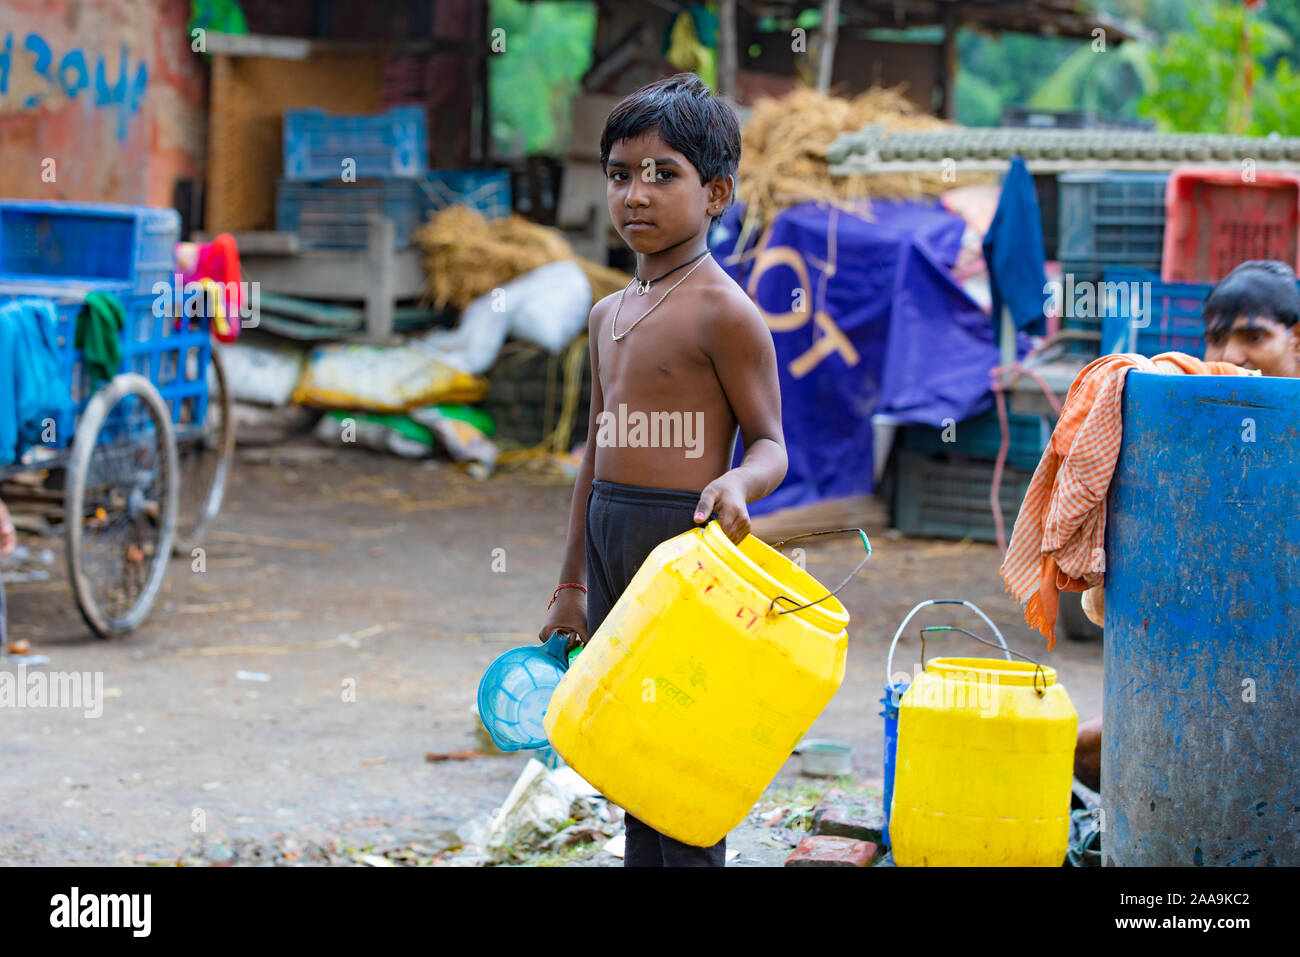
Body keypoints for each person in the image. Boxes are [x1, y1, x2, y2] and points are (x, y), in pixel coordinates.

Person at [535, 73, 787, 867]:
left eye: (662, 174)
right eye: (620, 174)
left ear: (715, 193)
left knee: (681, 751)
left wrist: (737, 484)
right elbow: (593, 455)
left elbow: (772, 446)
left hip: (683, 550)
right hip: (611, 537)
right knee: (626, 747)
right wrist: (572, 580)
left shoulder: (726, 312)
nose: (636, 195)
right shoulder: (607, 314)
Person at [1072, 258, 1300, 791]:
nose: (1230, 357)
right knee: (1082, 750)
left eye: (1252, 336)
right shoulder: (1203, 438)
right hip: (1214, 670)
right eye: (1216, 339)